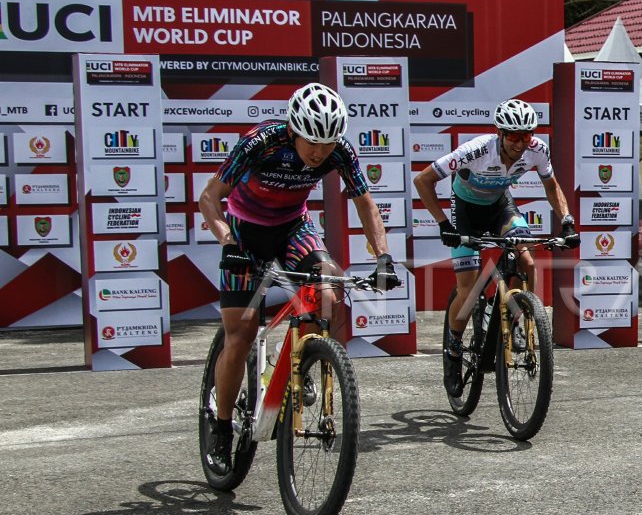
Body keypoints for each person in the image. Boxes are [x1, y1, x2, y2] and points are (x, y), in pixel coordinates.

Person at [198, 82, 399, 475]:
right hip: (245, 232)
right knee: (240, 336)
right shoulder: (260, 142)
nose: (319, 152)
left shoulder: (340, 151)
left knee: (329, 292)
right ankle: (221, 428)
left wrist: (383, 257)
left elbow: (365, 202)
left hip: (293, 227)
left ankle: (302, 357)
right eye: (312, 142)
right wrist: (227, 243)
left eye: (327, 143)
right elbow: (209, 197)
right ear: (293, 129)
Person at [413, 98, 579, 397]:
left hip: (500, 206)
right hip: (465, 212)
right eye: (513, 136)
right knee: (468, 289)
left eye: (525, 135)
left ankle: (518, 320)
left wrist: (567, 221)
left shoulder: (538, 150)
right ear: (500, 133)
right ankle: (453, 351)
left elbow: (551, 186)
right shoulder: (476, 150)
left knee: (527, 261)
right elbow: (423, 180)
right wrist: (443, 224)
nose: (520, 143)